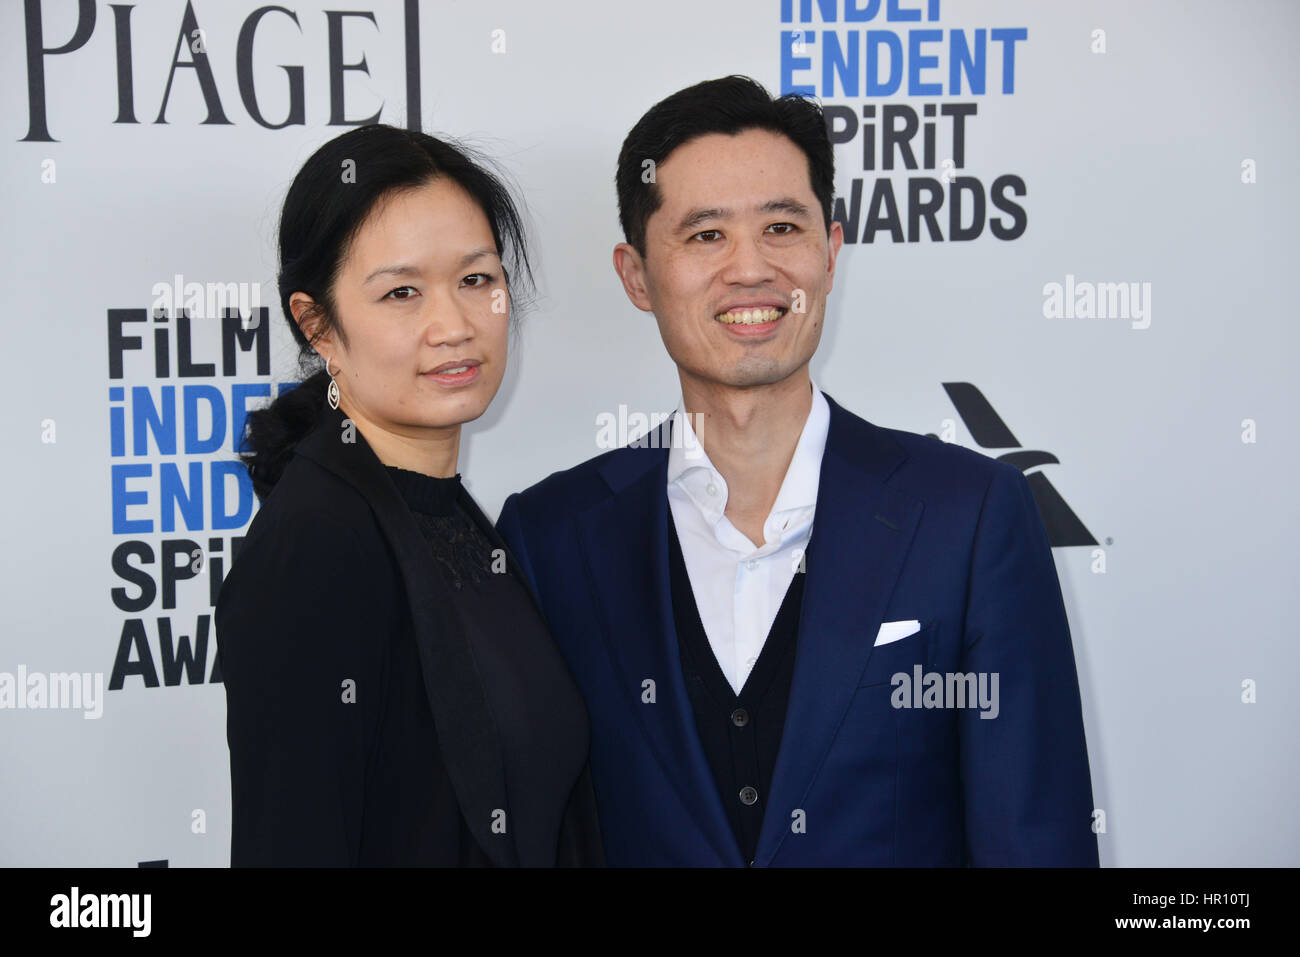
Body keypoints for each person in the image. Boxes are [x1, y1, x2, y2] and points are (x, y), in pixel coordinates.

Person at [495, 76, 1098, 866]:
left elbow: (1034, 838)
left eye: (782, 226)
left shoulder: (969, 513)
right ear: (636, 275)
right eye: (705, 235)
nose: (751, 269)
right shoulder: (550, 537)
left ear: (830, 251)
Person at [215, 124, 602, 867]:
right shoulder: (320, 542)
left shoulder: (447, 513)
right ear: (318, 323)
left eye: (477, 280)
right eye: (401, 292)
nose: (453, 325)